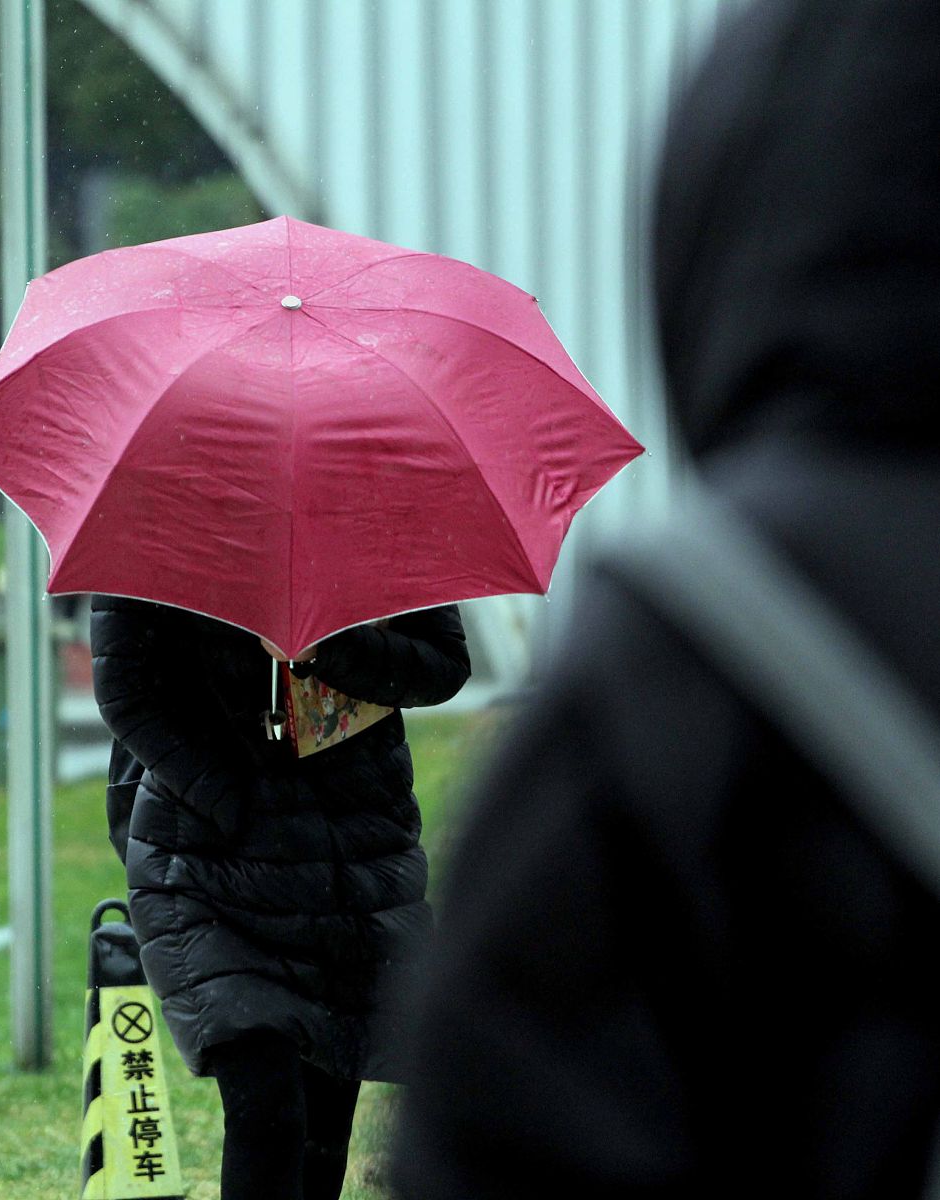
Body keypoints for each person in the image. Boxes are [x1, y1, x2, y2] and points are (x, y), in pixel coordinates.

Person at [391, 1, 940, 1197]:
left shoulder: (696, 656)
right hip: (232, 887)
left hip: (350, 872)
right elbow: (156, 731)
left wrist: (348, 673)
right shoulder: (159, 589)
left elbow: (430, 665)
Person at [90, 596, 470, 1200]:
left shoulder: (382, 517)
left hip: (351, 858)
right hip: (209, 862)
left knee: (325, 1127)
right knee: (266, 1106)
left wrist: (326, 647)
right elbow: (127, 692)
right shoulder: (164, 518)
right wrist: (228, 800)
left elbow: (441, 665)